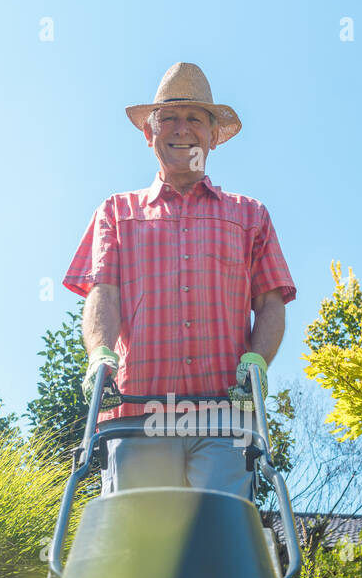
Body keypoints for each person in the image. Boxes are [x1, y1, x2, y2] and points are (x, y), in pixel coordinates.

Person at [62, 62, 296, 500]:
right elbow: (103, 294)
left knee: (218, 544)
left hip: (225, 418)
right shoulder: (116, 212)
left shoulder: (250, 216)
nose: (181, 129)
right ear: (149, 134)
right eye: (168, 117)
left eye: (195, 119)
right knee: (141, 550)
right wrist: (99, 355)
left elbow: (270, 302)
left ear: (211, 136)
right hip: (139, 416)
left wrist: (258, 360)